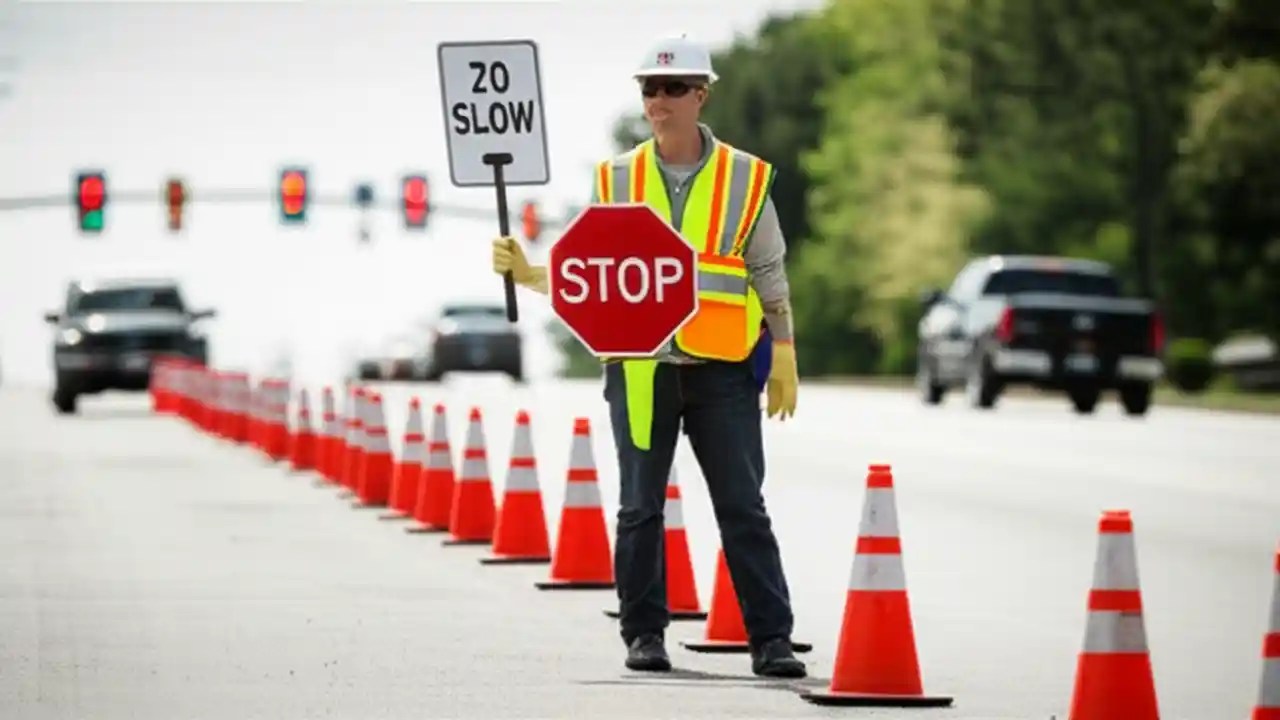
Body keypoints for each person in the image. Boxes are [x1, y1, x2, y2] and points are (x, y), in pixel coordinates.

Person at [490, 32, 804, 678]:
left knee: (742, 507)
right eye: (648, 89)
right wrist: (532, 275)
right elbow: (593, 272)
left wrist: (784, 350)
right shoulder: (617, 177)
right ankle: (644, 635)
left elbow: (768, 272)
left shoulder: (744, 179)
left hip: (721, 369)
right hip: (639, 371)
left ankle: (771, 640)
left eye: (670, 89)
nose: (657, 101)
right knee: (640, 507)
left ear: (701, 95)